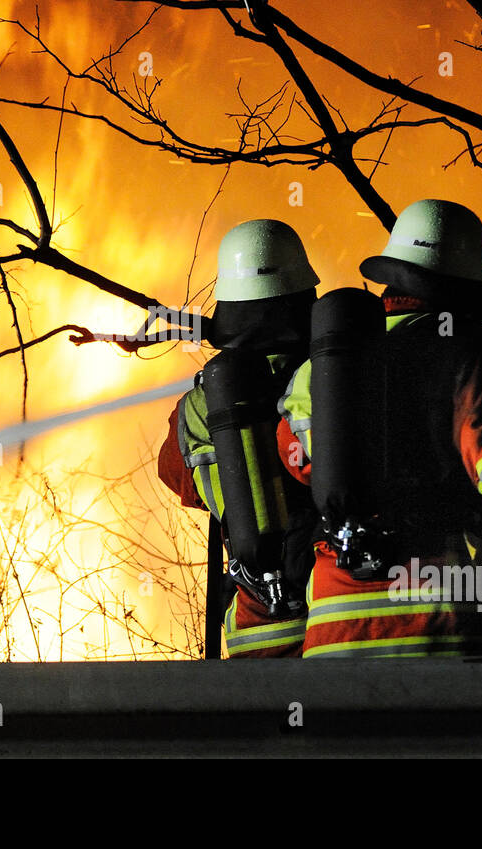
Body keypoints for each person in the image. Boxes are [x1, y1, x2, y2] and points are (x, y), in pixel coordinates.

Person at [276, 199, 482, 659]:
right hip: (448, 628)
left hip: (335, 633)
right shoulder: (466, 353)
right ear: (466, 284)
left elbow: (298, 459)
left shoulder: (320, 370)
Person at [157, 219, 320, 658]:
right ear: (305, 298)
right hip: (334, 607)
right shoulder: (328, 380)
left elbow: (181, 481)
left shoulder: (198, 404)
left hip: (256, 622)